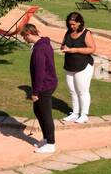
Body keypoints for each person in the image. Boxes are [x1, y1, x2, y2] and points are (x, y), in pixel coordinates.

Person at [21, 23, 57, 153]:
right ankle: (46, 138)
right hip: (48, 83)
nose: (25, 40)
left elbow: (39, 73)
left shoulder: (39, 49)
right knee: (38, 110)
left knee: (45, 114)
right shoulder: (43, 43)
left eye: (25, 37)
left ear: (29, 34)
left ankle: (51, 143)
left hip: (44, 86)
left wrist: (35, 92)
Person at [60, 11, 97, 123]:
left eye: (74, 24)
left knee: (82, 91)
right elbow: (63, 44)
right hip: (69, 66)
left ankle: (84, 114)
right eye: (70, 24)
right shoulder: (68, 32)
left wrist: (74, 50)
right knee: (72, 91)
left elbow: (92, 49)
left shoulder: (86, 33)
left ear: (79, 22)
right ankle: (75, 113)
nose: (72, 26)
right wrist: (63, 47)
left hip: (83, 66)